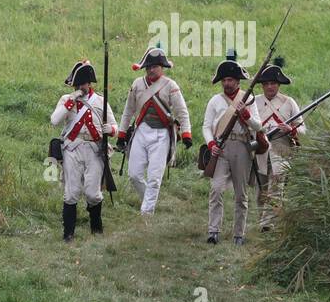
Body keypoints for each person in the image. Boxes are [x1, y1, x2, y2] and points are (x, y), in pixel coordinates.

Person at [118, 47, 192, 216]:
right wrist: (122, 134)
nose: (151, 70)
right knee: (134, 174)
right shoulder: (137, 84)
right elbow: (128, 111)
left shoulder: (170, 86)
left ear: (162, 67)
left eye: (155, 66)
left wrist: (186, 133)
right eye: (148, 67)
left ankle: (146, 213)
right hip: (141, 131)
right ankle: (148, 201)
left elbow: (182, 112)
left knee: (154, 178)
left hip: (161, 135)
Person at [51, 60, 118, 242]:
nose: (82, 86)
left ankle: (96, 228)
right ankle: (68, 234)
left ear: (90, 83)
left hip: (94, 149)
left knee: (92, 193)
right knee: (71, 192)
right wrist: (70, 101)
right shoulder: (67, 100)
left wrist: (109, 130)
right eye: (78, 83)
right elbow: (54, 121)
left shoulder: (101, 102)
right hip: (72, 148)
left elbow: (115, 127)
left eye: (84, 83)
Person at [202, 52, 264, 246]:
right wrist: (211, 144)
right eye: (225, 80)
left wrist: (246, 115)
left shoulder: (249, 100)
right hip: (221, 147)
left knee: (241, 194)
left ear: (238, 81)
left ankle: (239, 234)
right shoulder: (215, 101)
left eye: (230, 80)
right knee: (216, 189)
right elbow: (206, 126)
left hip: (242, 147)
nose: (227, 83)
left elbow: (258, 127)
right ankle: (213, 231)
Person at [251, 58, 303, 232]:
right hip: (260, 147)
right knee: (261, 189)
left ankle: (268, 223)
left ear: (278, 85)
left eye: (273, 83)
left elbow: (303, 129)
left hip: (282, 147)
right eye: (266, 83)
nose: (270, 87)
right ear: (262, 85)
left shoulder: (289, 103)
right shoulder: (254, 102)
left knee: (276, 185)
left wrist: (291, 130)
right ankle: (264, 219)